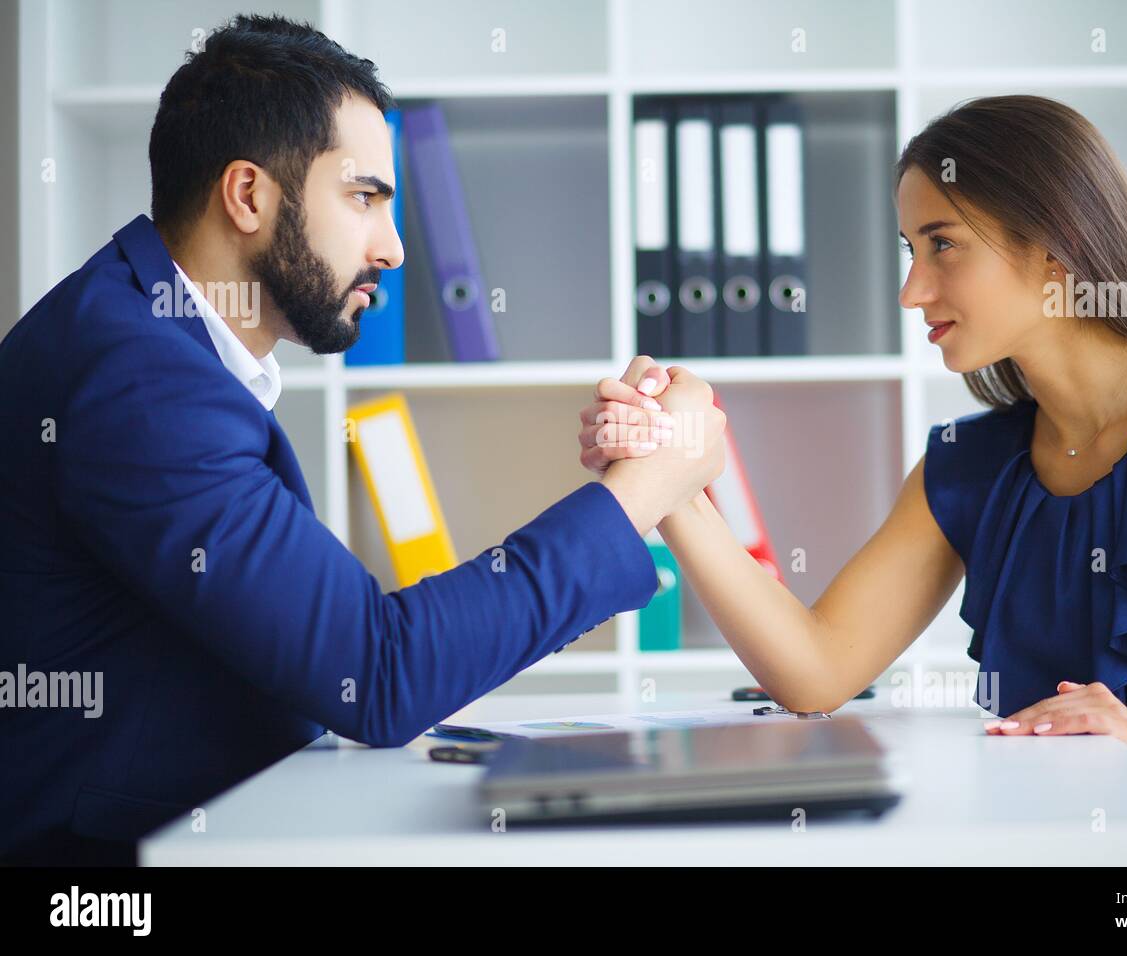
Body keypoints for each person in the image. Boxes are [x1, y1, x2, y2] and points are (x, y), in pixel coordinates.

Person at [0, 14, 724, 865]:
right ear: (248, 195)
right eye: (364, 197)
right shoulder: (141, 380)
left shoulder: (150, 338)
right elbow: (378, 673)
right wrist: (640, 492)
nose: (396, 247)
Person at [580, 96, 1127, 843]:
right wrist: (667, 480)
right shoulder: (969, 464)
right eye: (909, 251)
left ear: (1058, 244)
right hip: (1081, 844)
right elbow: (818, 670)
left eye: (943, 244)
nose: (911, 291)